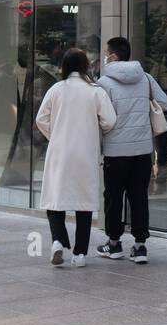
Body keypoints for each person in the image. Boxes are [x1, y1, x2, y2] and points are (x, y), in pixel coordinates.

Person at [35, 48, 116, 268]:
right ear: (84, 67)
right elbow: (109, 120)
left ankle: (58, 241)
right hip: (85, 152)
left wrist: (56, 135)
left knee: (55, 198)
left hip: (59, 150)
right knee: (84, 203)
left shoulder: (56, 89)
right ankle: (80, 254)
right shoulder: (95, 91)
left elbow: (40, 119)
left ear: (64, 67)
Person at [96, 37, 167, 265]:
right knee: (139, 197)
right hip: (141, 150)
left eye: (107, 53)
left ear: (114, 56)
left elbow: (99, 115)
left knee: (113, 197)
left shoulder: (104, 83)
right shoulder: (145, 78)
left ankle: (114, 243)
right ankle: (140, 247)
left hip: (114, 152)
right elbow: (163, 103)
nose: (105, 56)